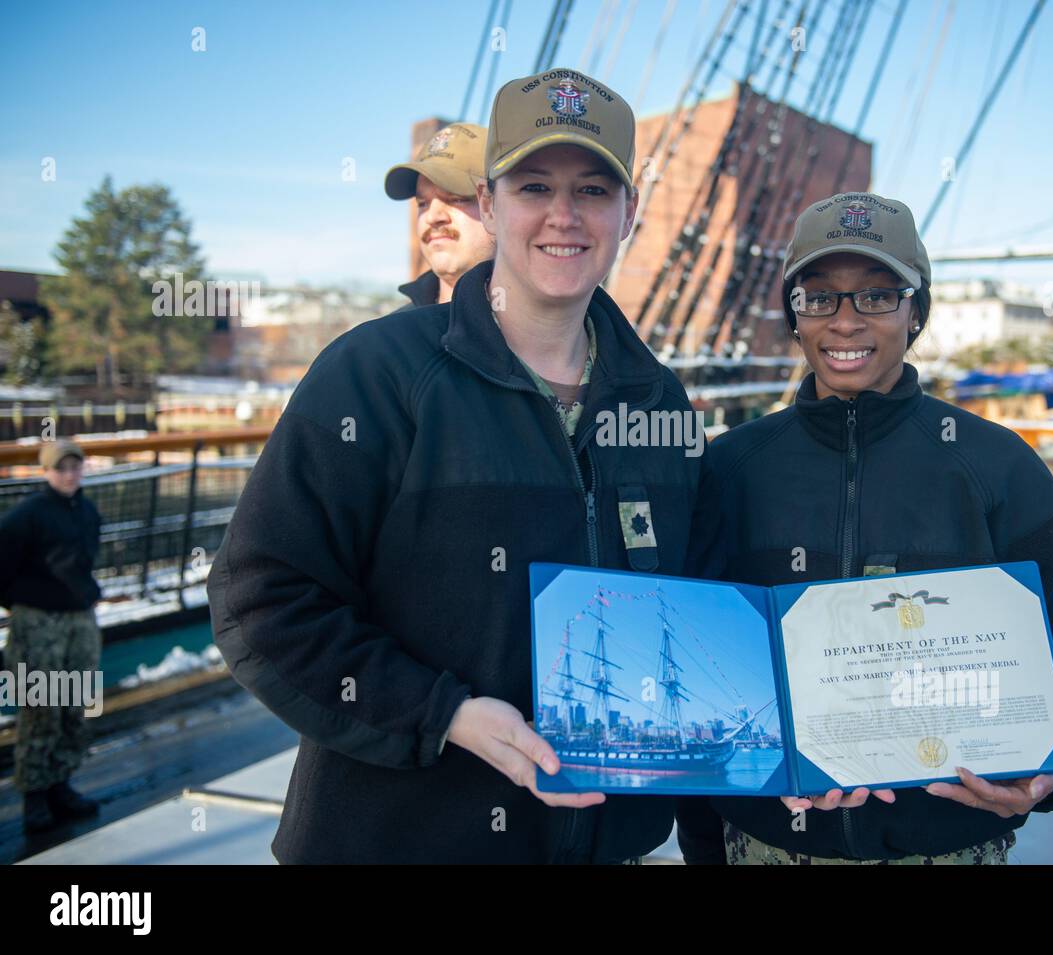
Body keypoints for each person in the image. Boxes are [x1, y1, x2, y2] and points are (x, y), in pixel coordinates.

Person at [208, 67, 715, 863]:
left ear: (630, 214)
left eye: (592, 190)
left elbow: (696, 608)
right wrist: (442, 714)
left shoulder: (660, 403)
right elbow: (261, 599)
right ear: (488, 202)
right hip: (397, 841)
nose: (562, 215)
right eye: (534, 185)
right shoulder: (377, 376)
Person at [677, 192, 1053, 865]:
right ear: (795, 313)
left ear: (916, 311)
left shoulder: (998, 467)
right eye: (819, 296)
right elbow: (700, 655)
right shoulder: (731, 468)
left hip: (946, 846)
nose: (845, 321)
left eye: (877, 295)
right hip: (767, 843)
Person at [0, 437, 103, 833]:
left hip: (79, 619)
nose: (70, 474)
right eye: (62, 468)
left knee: (75, 704)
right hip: (39, 621)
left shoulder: (87, 510)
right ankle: (35, 795)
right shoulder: (28, 514)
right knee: (40, 707)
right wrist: (22, 601)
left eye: (76, 466)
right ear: (46, 471)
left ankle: (62, 783)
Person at [384, 122, 496, 306]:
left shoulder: (550, 327)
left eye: (457, 198)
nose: (432, 217)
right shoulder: (391, 332)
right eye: (422, 203)